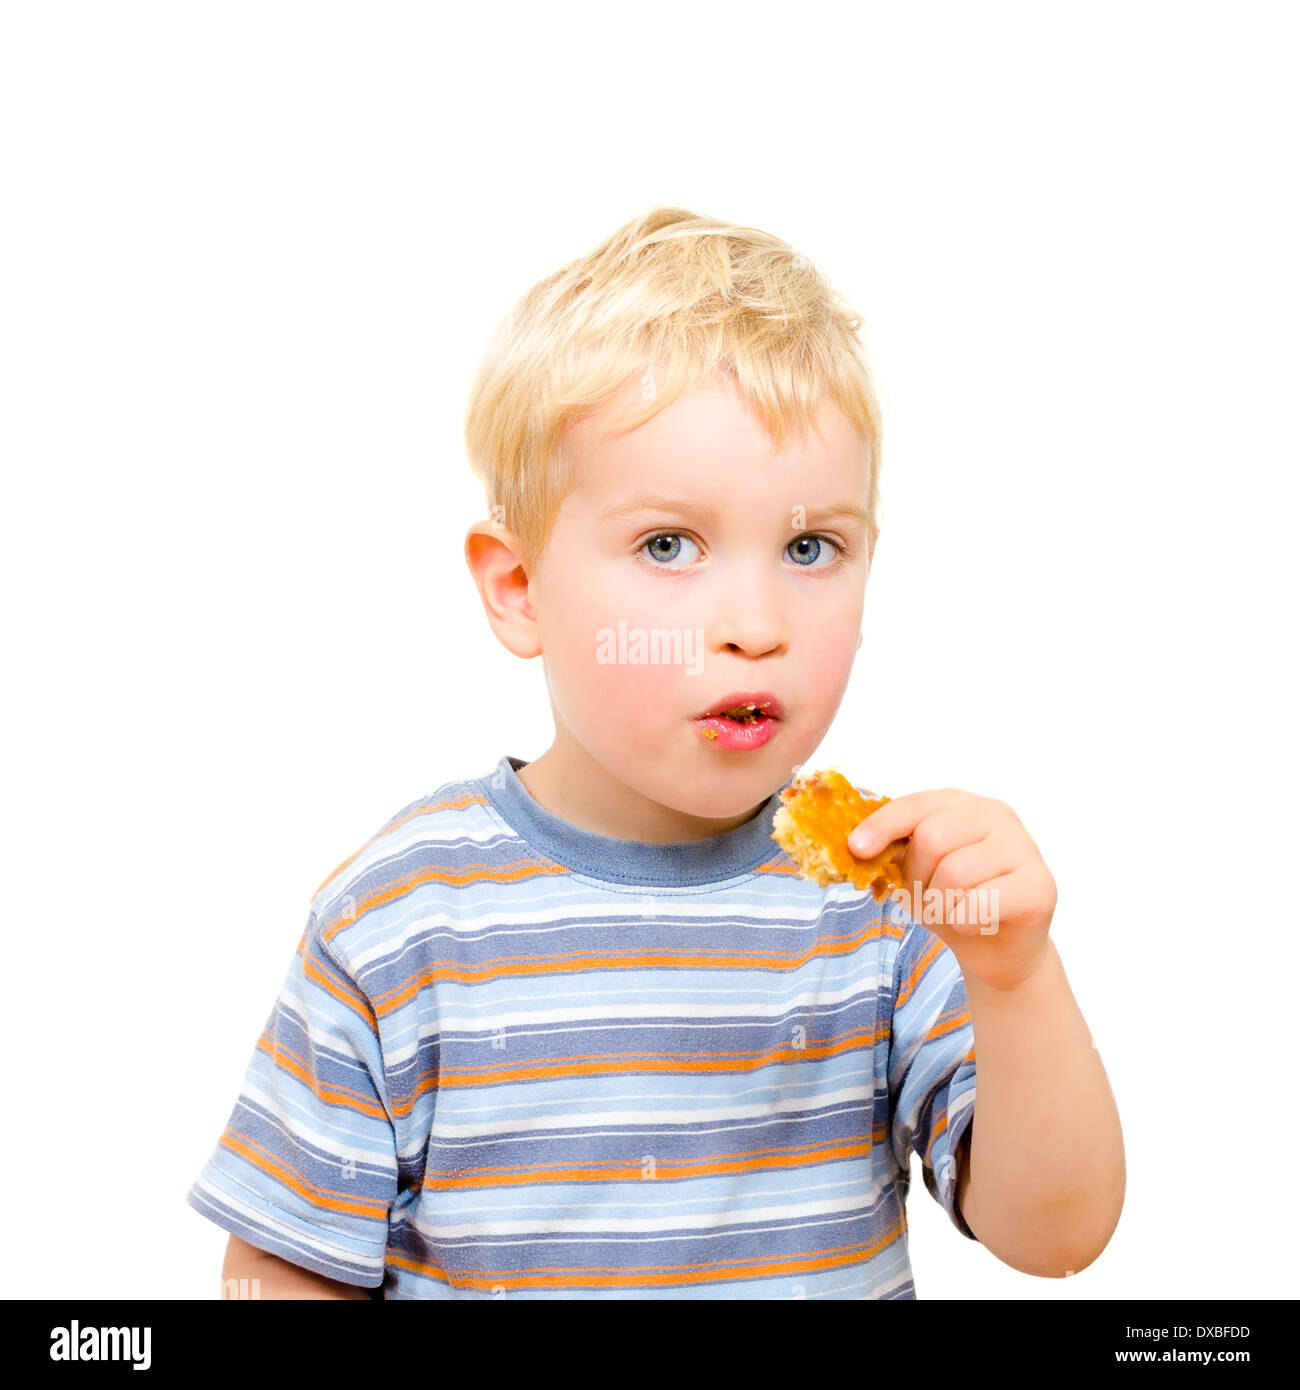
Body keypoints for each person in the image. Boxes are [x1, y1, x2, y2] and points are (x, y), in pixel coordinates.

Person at [187, 205, 1124, 1299]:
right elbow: (282, 1263)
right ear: (520, 586)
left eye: (810, 546)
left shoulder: (889, 907)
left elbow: (1055, 1234)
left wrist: (1013, 977)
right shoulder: (399, 920)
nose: (756, 619)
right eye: (669, 544)